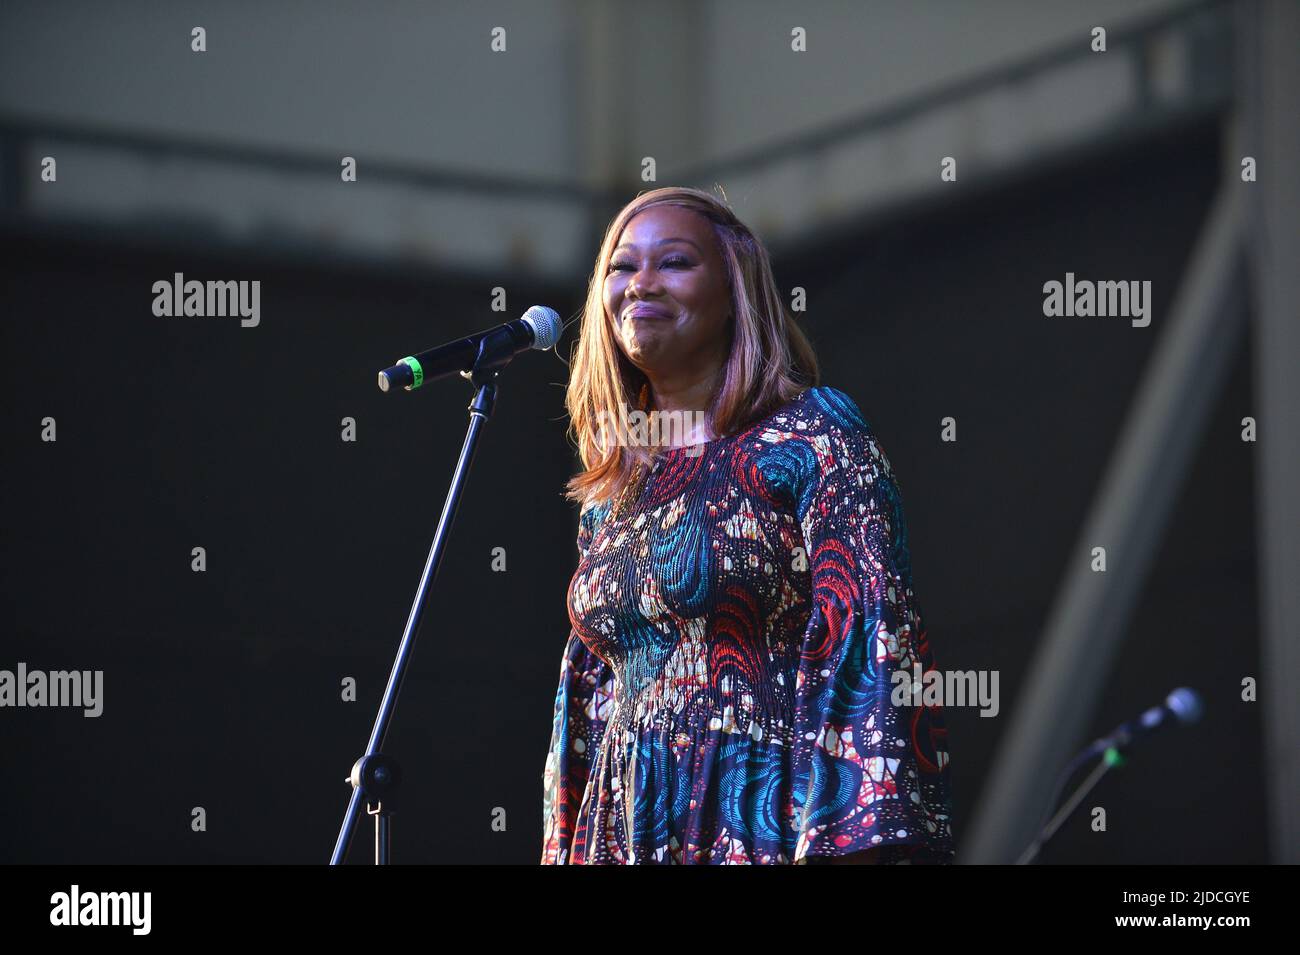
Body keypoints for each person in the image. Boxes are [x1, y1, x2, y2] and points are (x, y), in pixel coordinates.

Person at [540, 186, 955, 865]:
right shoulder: (611, 488)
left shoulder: (811, 433)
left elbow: (872, 633)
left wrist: (848, 842)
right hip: (623, 826)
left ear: (736, 291)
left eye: (673, 262)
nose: (641, 282)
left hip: (761, 812)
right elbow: (587, 690)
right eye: (622, 266)